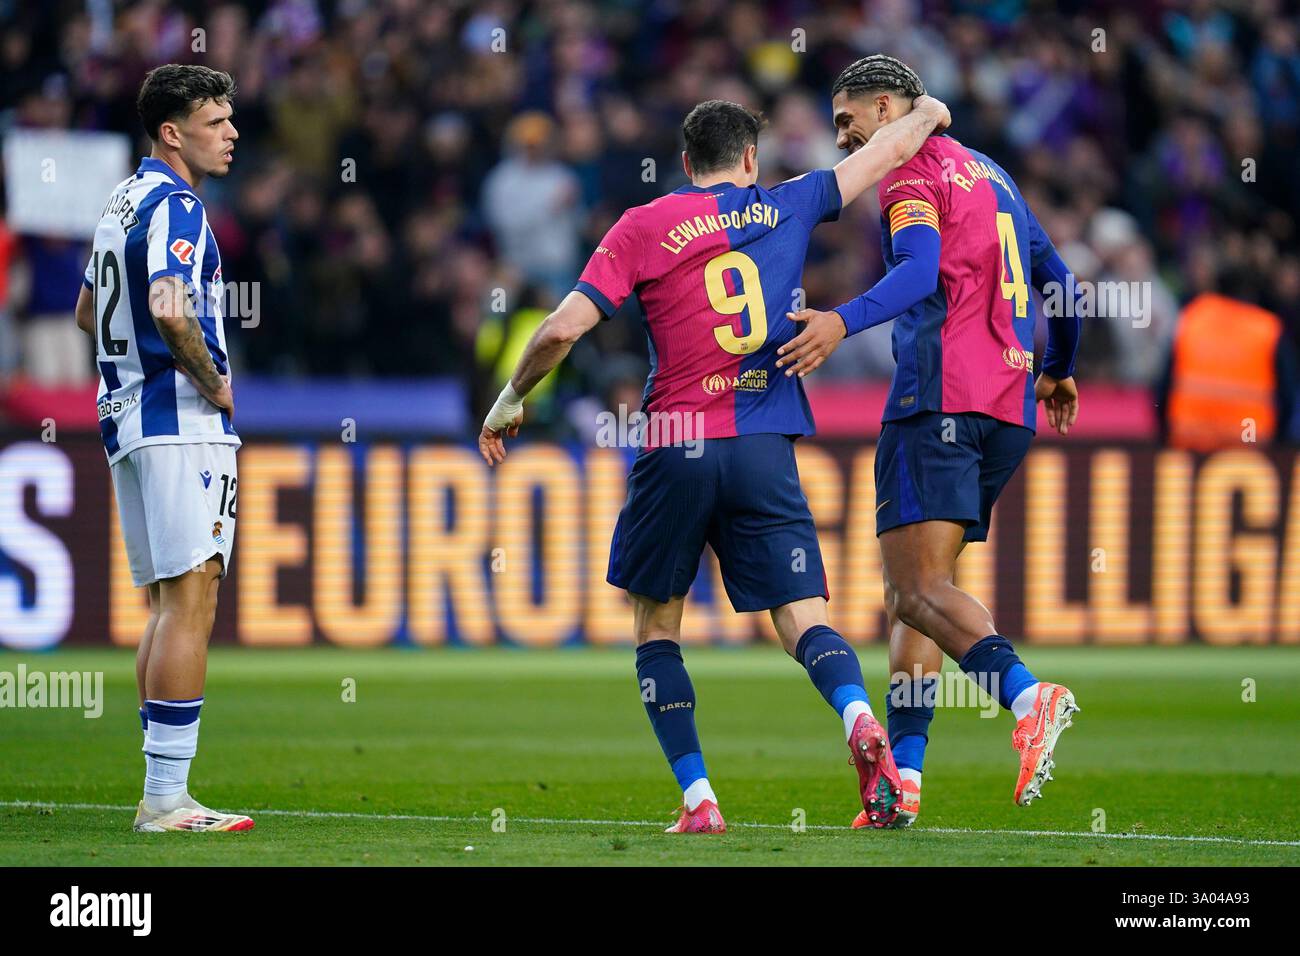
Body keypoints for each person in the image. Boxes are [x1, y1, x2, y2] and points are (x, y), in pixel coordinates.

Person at [480, 94, 950, 832]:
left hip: (674, 444)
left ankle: (700, 799)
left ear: (686, 160)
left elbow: (563, 329)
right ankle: (859, 717)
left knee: (657, 628)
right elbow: (885, 154)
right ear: (751, 159)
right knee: (800, 619)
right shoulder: (790, 202)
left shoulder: (642, 225)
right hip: (764, 443)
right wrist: (928, 110)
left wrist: (510, 399)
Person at [778, 55, 1083, 826]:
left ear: (887, 109)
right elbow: (1065, 287)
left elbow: (917, 276)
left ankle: (1028, 696)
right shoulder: (994, 176)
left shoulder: (910, 178)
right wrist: (1059, 370)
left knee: (917, 591)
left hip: (938, 403)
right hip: (1007, 409)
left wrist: (839, 322)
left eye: (849, 124)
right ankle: (904, 781)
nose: (844, 142)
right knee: (914, 597)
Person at [75, 64, 251, 833]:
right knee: (193, 599)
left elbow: (87, 311)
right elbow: (169, 308)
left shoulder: (122, 199)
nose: (233, 133)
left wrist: (130, 366)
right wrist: (212, 381)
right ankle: (167, 800)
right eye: (216, 121)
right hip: (180, 421)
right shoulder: (177, 204)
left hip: (125, 420)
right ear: (173, 133)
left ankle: (158, 789)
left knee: (163, 605)